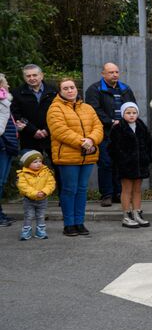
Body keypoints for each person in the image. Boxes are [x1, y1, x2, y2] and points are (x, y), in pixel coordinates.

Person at [47, 77, 102, 237]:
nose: (70, 90)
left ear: (76, 89)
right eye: (66, 88)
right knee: (69, 189)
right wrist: (82, 142)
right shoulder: (55, 108)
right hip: (67, 157)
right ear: (60, 91)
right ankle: (69, 224)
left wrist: (91, 140)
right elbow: (59, 130)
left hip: (88, 155)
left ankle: (80, 222)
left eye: (72, 87)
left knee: (82, 190)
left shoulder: (87, 108)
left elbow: (98, 126)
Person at [85, 62, 137, 207]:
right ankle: (106, 194)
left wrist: (127, 122)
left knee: (120, 163)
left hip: (123, 132)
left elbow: (133, 107)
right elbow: (93, 110)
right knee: (106, 163)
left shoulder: (125, 89)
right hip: (104, 132)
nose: (114, 75)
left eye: (116, 72)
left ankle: (119, 193)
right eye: (111, 72)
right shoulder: (94, 89)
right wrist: (110, 121)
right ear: (103, 74)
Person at [109, 102, 152, 229]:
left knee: (137, 189)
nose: (131, 115)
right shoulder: (118, 128)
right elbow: (112, 147)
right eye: (128, 113)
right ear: (123, 114)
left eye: (134, 113)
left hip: (140, 164)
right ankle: (126, 215)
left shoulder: (141, 126)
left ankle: (137, 213)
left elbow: (149, 143)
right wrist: (121, 160)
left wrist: (147, 158)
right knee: (126, 189)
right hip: (125, 165)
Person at [11, 63, 57, 156]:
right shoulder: (17, 93)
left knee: (58, 168)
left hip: (52, 136)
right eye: (28, 76)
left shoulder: (53, 91)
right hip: (29, 137)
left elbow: (58, 114)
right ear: (24, 78)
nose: (31, 78)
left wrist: (47, 130)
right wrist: (33, 131)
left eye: (34, 75)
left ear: (41, 75)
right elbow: (16, 115)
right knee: (31, 169)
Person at [16, 150, 55, 241]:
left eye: (40, 161)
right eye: (35, 162)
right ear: (27, 164)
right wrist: (35, 193)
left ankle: (40, 231)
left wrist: (44, 192)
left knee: (41, 215)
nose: (38, 164)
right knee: (28, 215)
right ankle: (26, 231)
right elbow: (23, 186)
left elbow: (51, 183)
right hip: (29, 199)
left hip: (42, 199)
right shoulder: (22, 174)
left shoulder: (46, 172)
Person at [0, 74, 17, 228]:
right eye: (5, 83)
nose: (8, 86)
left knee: (2, 181)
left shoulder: (4, 101)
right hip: (2, 145)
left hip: (7, 145)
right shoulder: (2, 102)